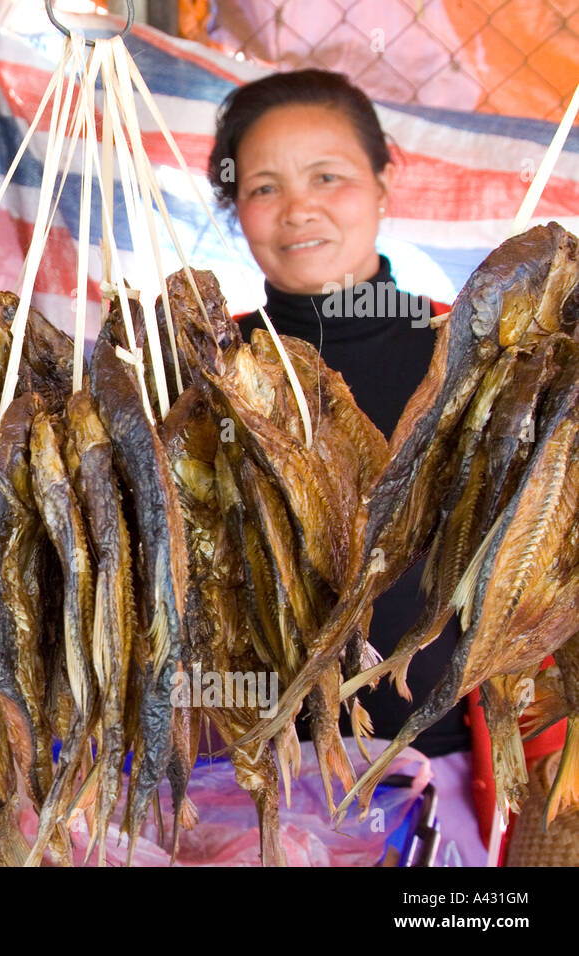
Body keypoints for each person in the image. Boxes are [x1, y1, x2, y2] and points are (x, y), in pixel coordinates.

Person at [206, 68, 487, 862]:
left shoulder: (474, 361)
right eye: (263, 186)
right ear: (235, 209)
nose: (299, 208)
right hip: (236, 783)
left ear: (383, 182)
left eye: (328, 177)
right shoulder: (196, 373)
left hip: (442, 777)